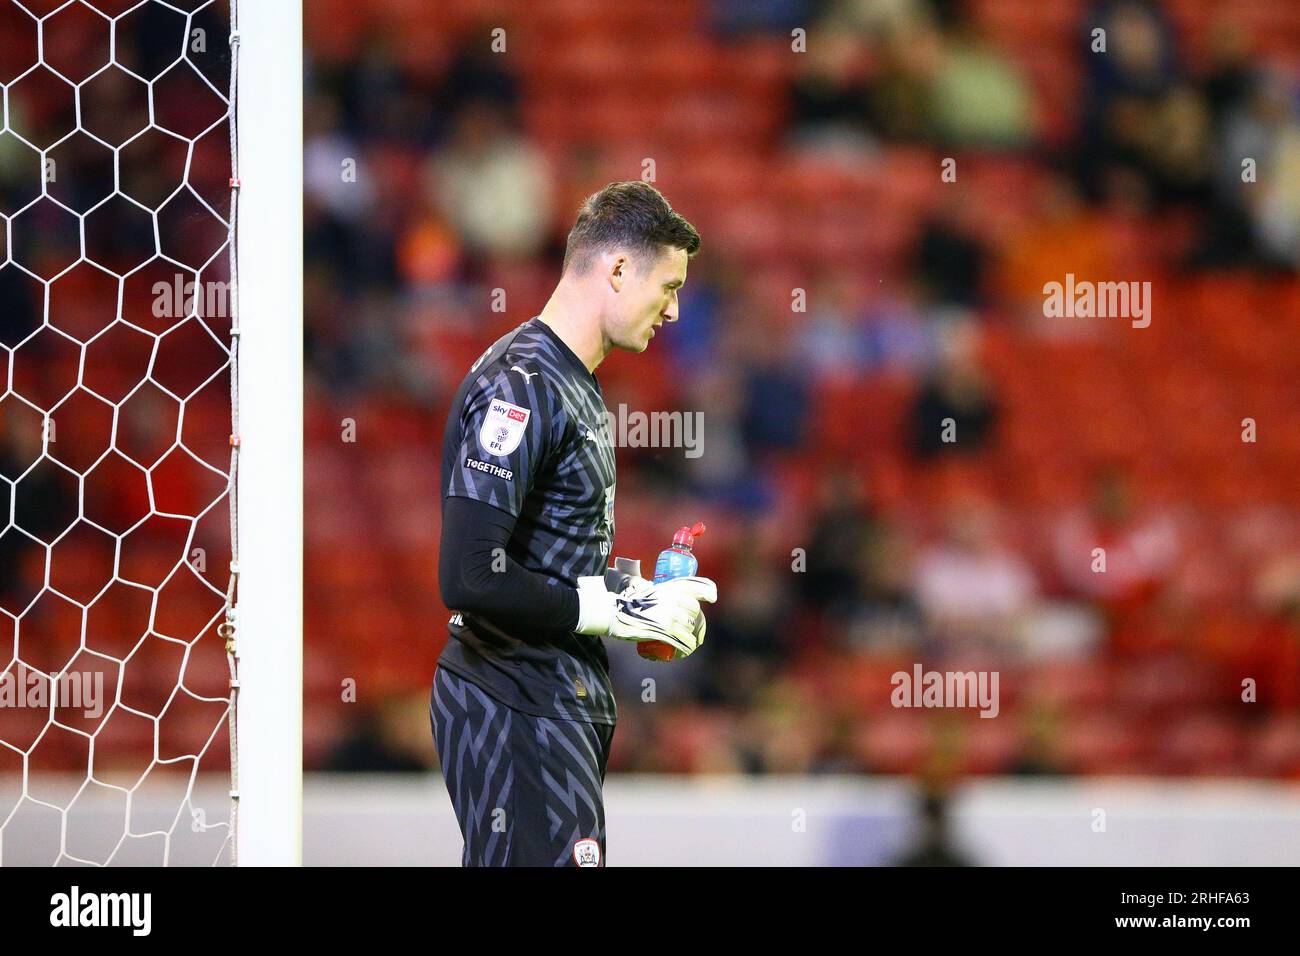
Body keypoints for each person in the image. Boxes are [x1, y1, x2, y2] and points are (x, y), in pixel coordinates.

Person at [430, 181, 718, 866]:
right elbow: (469, 574)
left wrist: (635, 596)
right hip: (513, 696)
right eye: (668, 285)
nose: (674, 310)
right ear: (618, 270)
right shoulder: (521, 384)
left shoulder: (572, 381)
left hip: (549, 699)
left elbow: (544, 560)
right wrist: (607, 608)